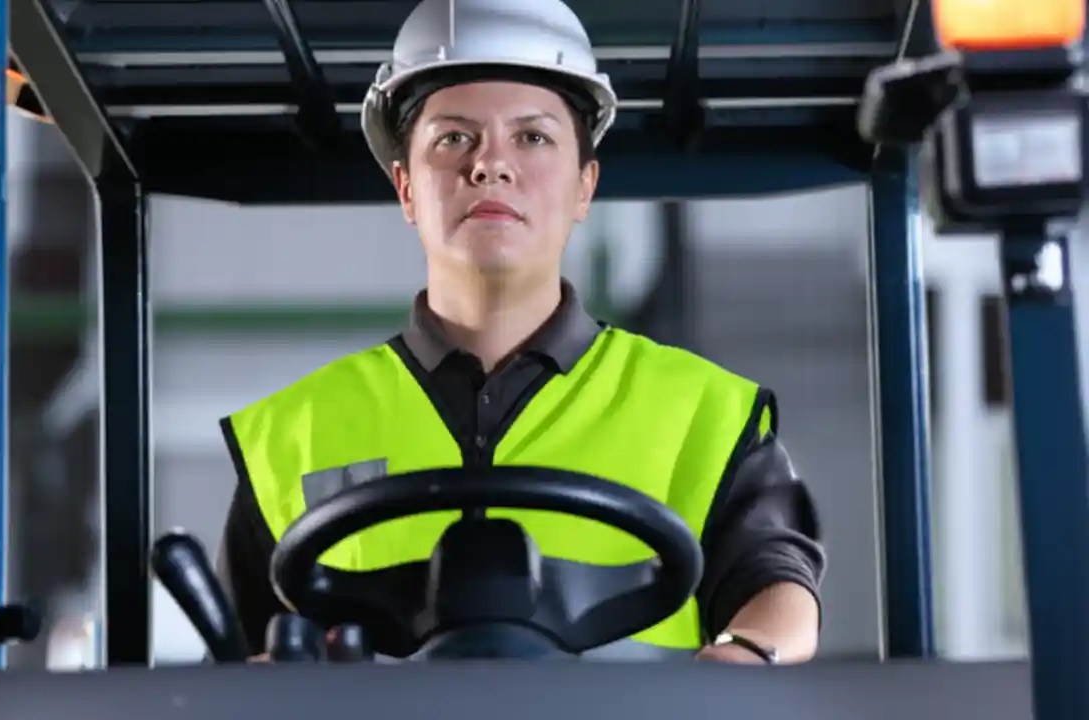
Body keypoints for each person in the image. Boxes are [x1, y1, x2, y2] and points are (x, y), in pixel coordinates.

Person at [214, 0, 825, 665]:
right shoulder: (290, 438)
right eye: (453, 138)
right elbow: (238, 666)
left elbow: (780, 590)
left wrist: (741, 653)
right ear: (406, 188)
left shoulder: (707, 416)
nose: (490, 165)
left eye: (532, 137)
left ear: (584, 186)